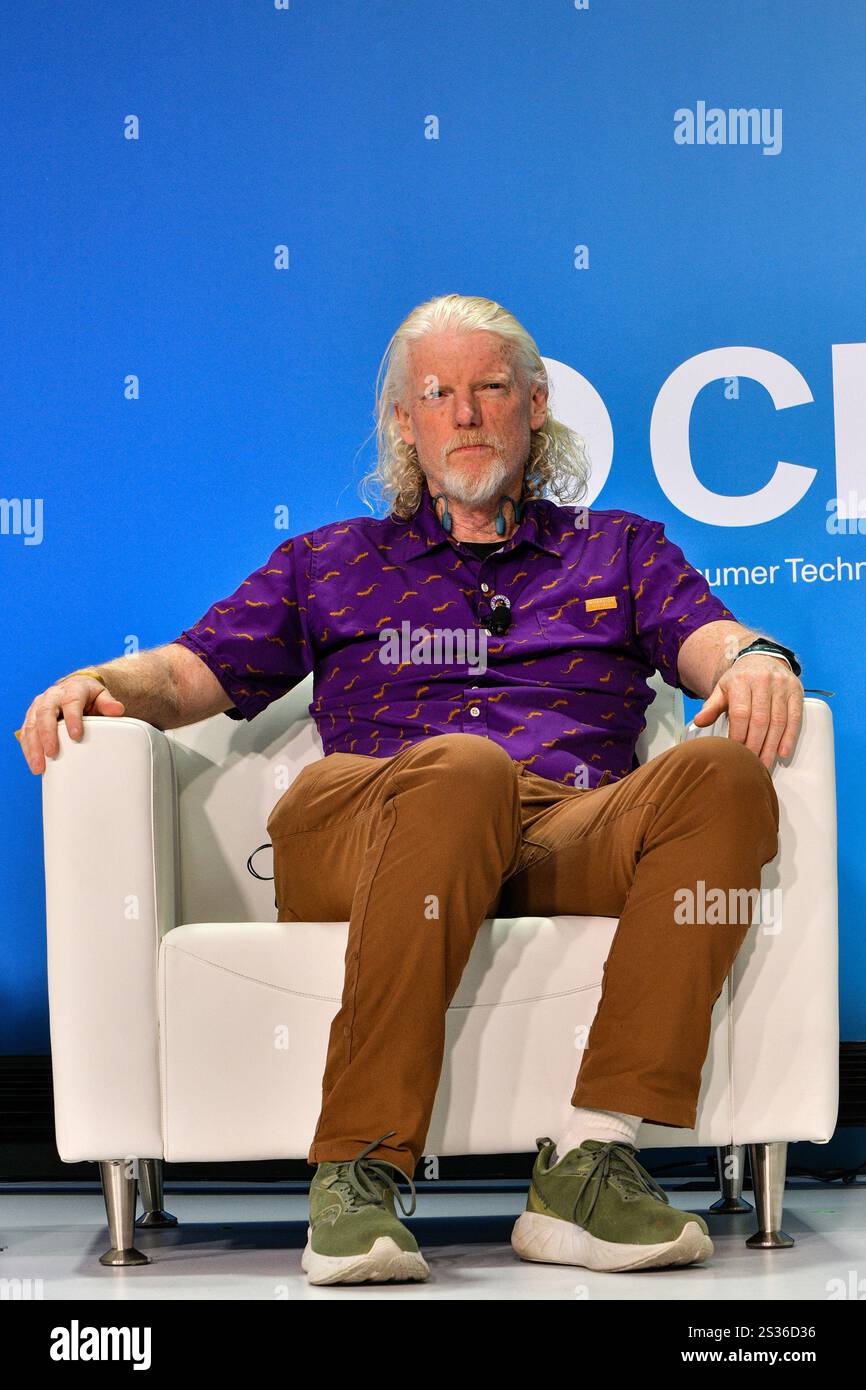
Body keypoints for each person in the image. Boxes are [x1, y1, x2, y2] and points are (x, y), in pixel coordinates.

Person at [18, 294, 803, 1286]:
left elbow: (709, 642)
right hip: (370, 820)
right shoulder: (331, 562)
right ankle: (356, 1172)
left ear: (535, 404)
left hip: (558, 827)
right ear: (404, 422)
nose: (464, 413)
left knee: (723, 776)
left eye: (487, 388)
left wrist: (756, 655)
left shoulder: (620, 549)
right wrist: (98, 681)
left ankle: (590, 1159)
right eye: (437, 393)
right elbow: (184, 676)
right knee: (461, 769)